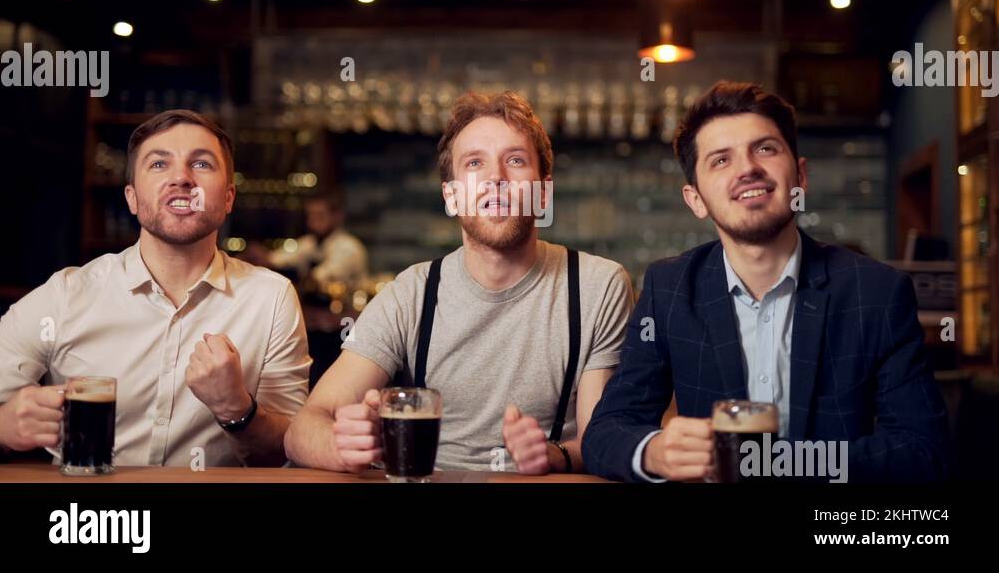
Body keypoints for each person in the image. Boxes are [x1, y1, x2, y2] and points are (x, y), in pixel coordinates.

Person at [582, 81, 951, 483]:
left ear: (801, 176)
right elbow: (605, 433)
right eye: (721, 160)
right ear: (696, 200)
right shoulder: (668, 289)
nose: (747, 168)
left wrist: (779, 463)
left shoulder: (877, 292)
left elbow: (922, 450)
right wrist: (654, 451)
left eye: (765, 148)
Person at [284, 91, 634, 474]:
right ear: (451, 195)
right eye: (474, 164)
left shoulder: (598, 286)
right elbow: (303, 427)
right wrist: (342, 446)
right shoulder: (411, 293)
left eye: (515, 160)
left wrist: (555, 455)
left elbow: (602, 438)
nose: (496, 179)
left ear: (544, 192)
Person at [0, 110, 311, 467]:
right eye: (159, 164)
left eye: (202, 164)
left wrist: (236, 408)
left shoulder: (271, 299)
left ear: (228, 198)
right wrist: (3, 426)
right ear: (131, 198)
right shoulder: (67, 295)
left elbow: (289, 453)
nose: (181, 177)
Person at [248, 193, 368, 290]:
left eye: (320, 216)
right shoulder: (309, 242)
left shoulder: (349, 247)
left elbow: (321, 276)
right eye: (310, 215)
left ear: (337, 216)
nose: (313, 222)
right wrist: (259, 258)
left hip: (348, 315)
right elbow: (280, 258)